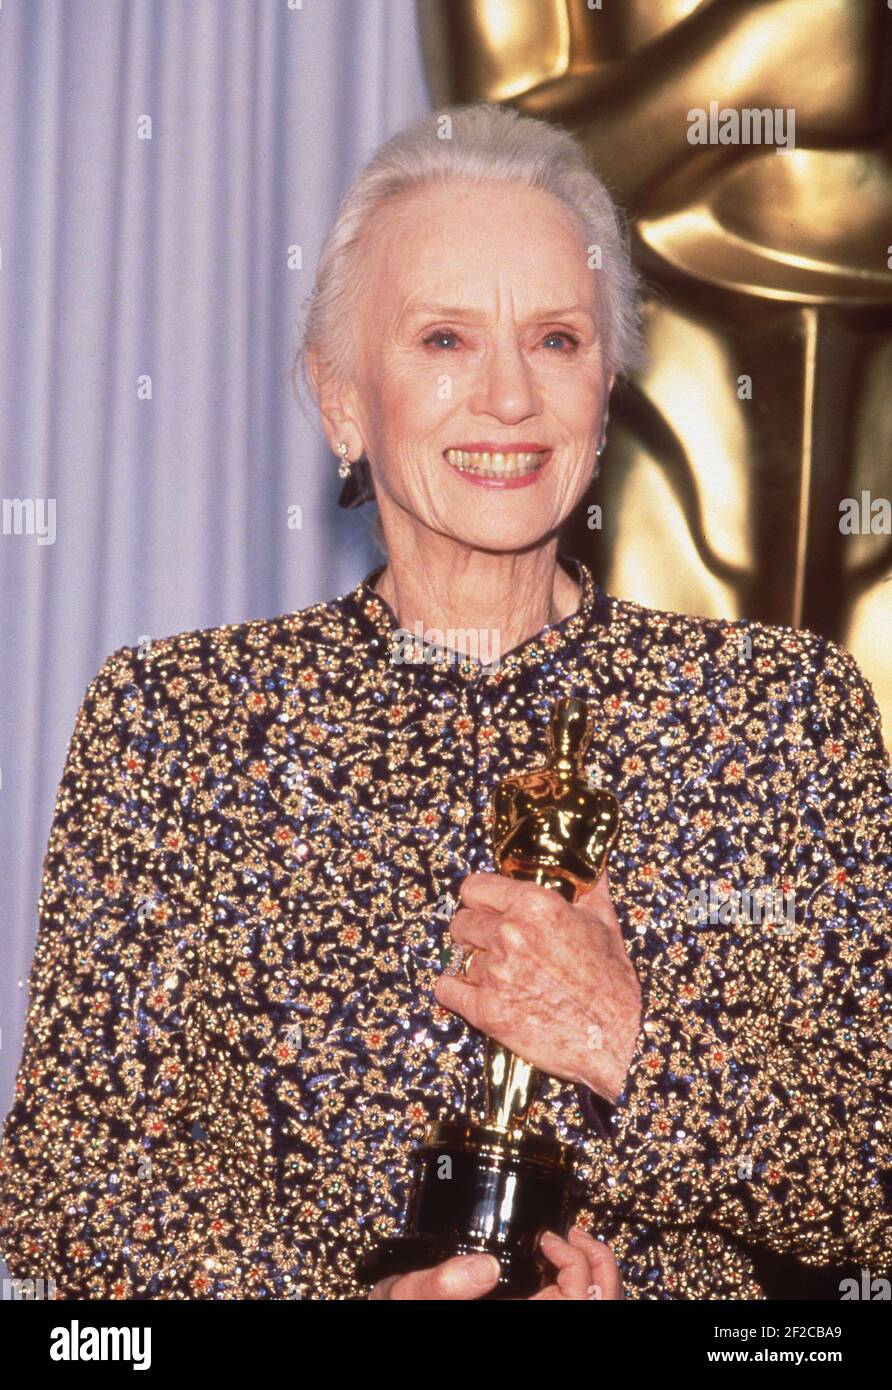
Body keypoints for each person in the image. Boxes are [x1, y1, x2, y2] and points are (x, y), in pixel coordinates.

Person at [1, 103, 888, 1301]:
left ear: (606, 388)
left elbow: (871, 1185)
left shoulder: (777, 713)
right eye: (444, 340)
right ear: (341, 402)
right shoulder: (178, 719)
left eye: (558, 340)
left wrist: (631, 1046)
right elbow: (71, 1179)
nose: (510, 399)